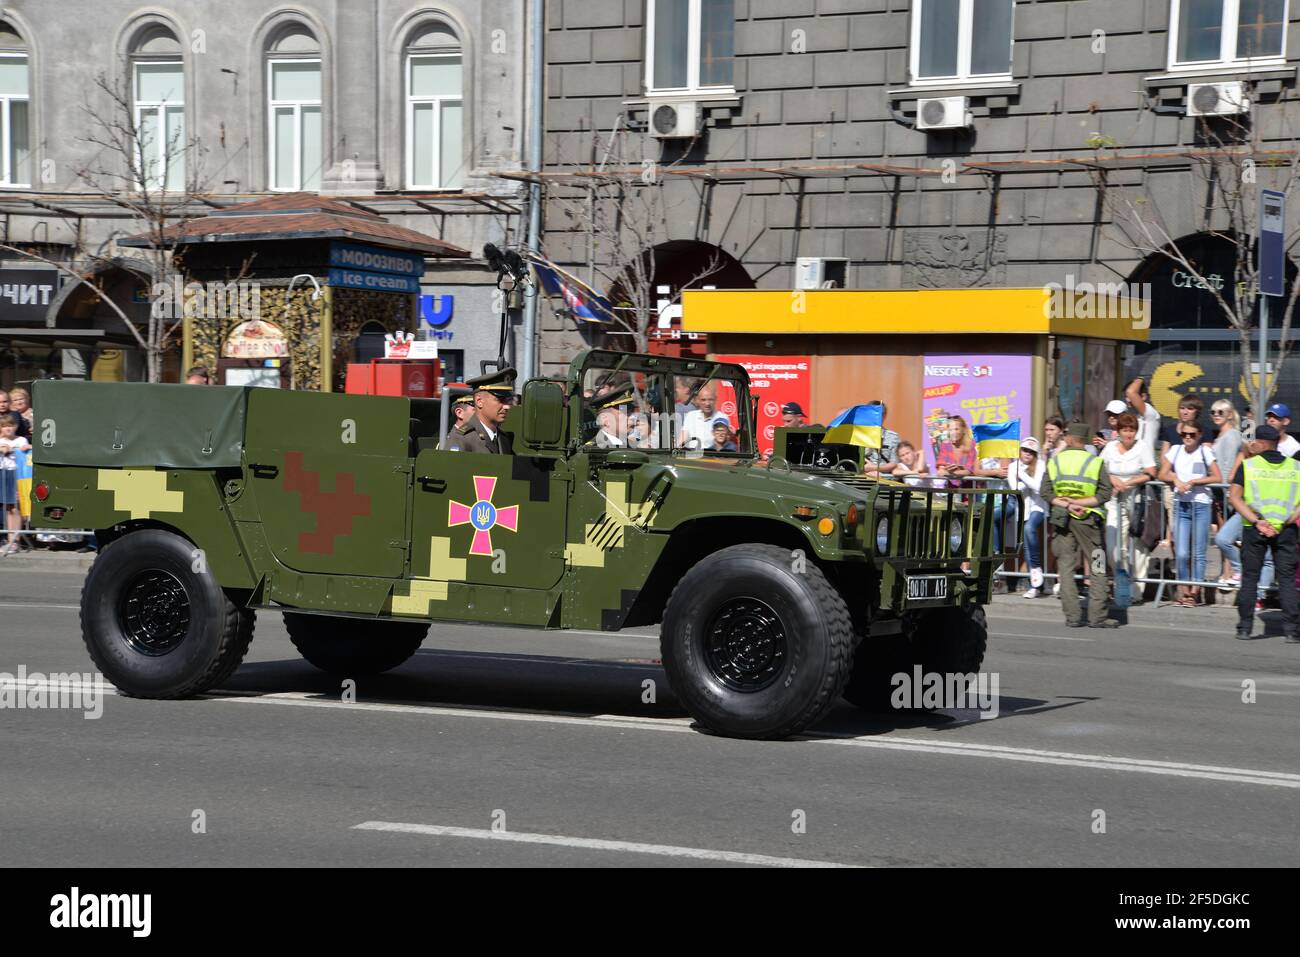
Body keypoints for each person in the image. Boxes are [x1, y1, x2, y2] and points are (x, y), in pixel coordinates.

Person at [1228, 425, 1300, 642]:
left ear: (1260, 442)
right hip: (1285, 529)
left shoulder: (1248, 466)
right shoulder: (1295, 467)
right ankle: (1292, 631)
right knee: (1286, 579)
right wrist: (1284, 522)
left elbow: (1234, 497)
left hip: (1254, 529)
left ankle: (1245, 627)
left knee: (1250, 578)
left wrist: (1257, 521)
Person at [1043, 422, 1118, 628]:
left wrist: (1067, 504)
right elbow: (1104, 494)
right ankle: (1098, 617)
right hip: (1088, 520)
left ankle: (1072, 617)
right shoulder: (1095, 462)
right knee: (1098, 564)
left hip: (1063, 518)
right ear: (1083, 440)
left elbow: (1046, 492)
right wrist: (1080, 504)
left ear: (1069, 439)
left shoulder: (1055, 462)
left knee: (1065, 568)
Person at [1159, 420, 1222, 606]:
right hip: (1182, 504)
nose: (1187, 438)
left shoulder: (1205, 451)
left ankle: (1195, 591)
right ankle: (1184, 590)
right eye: (1184, 434)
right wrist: (1176, 480)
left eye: (1192, 434)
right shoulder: (1176, 450)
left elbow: (1218, 477)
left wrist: (1196, 482)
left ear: (1200, 435)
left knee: (1199, 552)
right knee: (1181, 552)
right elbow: (1161, 474)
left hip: (1200, 504)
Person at [1101, 412, 1157, 601]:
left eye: (1131, 430)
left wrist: (1130, 482)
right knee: (1112, 546)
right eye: (1125, 430)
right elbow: (1099, 469)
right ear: (1118, 431)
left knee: (1137, 545)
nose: (1128, 434)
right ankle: (1121, 581)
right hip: (1114, 500)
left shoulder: (1142, 447)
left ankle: (1137, 588)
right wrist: (1113, 479)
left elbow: (1151, 473)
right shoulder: (1109, 448)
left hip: (1135, 499)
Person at [1210, 399, 1245, 583]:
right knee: (1223, 534)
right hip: (1220, 491)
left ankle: (1232, 572)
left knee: (1227, 536)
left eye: (1220, 412)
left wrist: (1227, 489)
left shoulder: (1231, 435)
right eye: (1213, 412)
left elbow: (1229, 466)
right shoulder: (1222, 436)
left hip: (1227, 491)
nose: (1216, 414)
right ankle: (1226, 573)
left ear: (1230, 414)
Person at [1009, 437, 1048, 598]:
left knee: (1029, 528)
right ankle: (1036, 585)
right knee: (1026, 545)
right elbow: (1015, 489)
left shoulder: (1041, 465)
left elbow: (1039, 488)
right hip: (1023, 509)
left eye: (1031, 451)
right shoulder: (1013, 466)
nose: (1027, 454)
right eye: (1025, 450)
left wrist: (1022, 476)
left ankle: (1037, 569)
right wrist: (1021, 476)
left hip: (1039, 507)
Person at [444, 368, 516, 454]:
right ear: (479, 401)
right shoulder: (461, 439)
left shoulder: (503, 438)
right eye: (500, 400)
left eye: (508, 400)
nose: (507, 406)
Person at [0, 413, 31, 555]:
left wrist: (25, 447)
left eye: (10, 426)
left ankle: (16, 540)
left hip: (17, 475)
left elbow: (27, 448)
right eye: (5, 426)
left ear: (16, 427)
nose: (8, 429)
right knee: (8, 508)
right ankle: (9, 538)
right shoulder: (1, 440)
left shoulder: (20, 440)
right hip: (4, 474)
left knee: (15, 508)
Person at [1123, 376, 1163, 459]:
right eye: (1125, 396)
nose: (1127, 399)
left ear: (1143, 396)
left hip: (1146, 467)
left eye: (1129, 397)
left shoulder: (1150, 413)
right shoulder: (1133, 416)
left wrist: (1140, 379)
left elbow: (1131, 392)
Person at [934, 415, 977, 488]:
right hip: (951, 489)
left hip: (969, 490)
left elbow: (969, 470)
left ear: (963, 429)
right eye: (951, 430)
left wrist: (950, 473)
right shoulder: (945, 445)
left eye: (956, 429)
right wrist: (944, 470)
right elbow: (940, 469)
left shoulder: (972, 445)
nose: (953, 432)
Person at [860, 400, 901, 476]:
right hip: (863, 477)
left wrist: (873, 468)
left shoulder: (893, 437)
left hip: (885, 478)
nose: (875, 417)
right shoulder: (859, 435)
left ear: (884, 416)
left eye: (879, 414)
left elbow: (894, 463)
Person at [678, 383, 725, 448]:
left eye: (710, 399)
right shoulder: (690, 416)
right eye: (703, 400)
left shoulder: (722, 417)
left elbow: (722, 446)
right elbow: (682, 441)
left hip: (713, 457)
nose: (707, 403)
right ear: (698, 400)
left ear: (715, 399)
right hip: (691, 456)